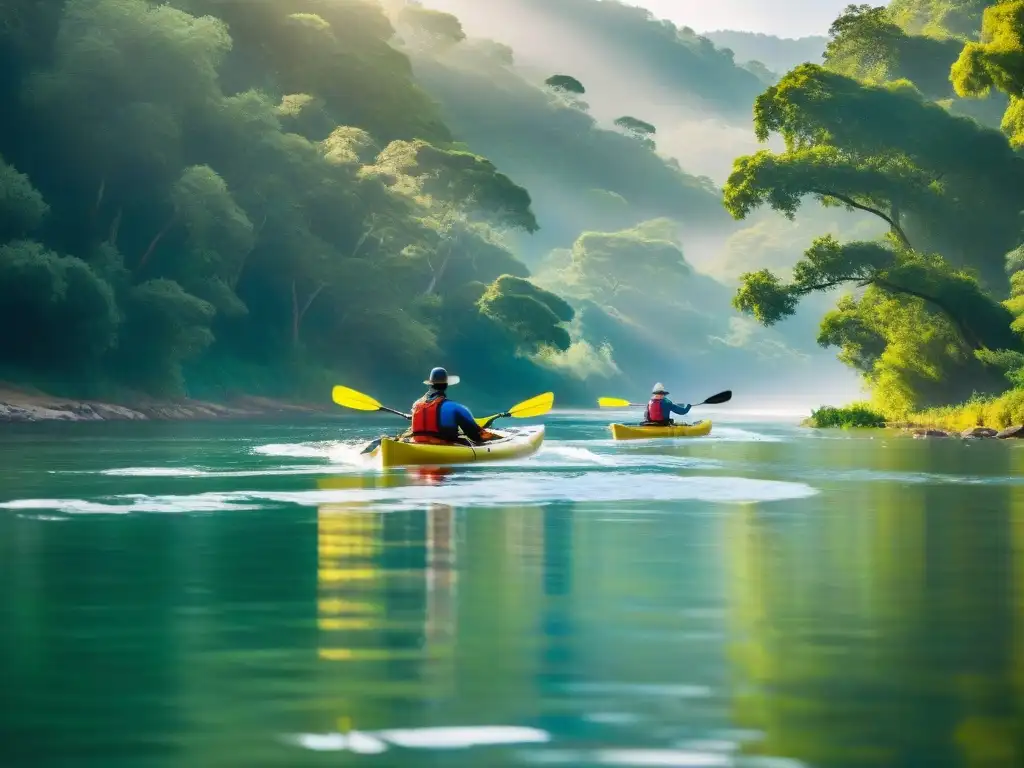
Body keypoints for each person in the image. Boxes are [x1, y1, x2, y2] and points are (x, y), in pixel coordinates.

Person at [409, 367, 486, 444]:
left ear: (430, 384)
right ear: (446, 385)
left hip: (417, 443)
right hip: (443, 446)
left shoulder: (416, 405)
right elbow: (475, 436)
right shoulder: (455, 408)